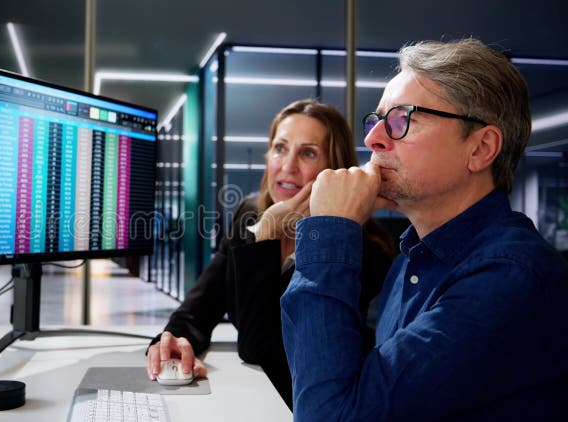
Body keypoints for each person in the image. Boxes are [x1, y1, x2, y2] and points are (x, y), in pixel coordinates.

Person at [280, 39, 568, 420]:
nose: (371, 139)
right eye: (377, 120)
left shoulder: (508, 278)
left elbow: (328, 415)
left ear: (481, 149)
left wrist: (331, 230)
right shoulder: (412, 260)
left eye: (402, 119)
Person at [146, 99, 396, 408]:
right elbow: (200, 307)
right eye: (280, 148)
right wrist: (174, 339)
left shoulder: (361, 248)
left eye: (308, 153)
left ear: (334, 168)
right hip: (253, 398)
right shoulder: (249, 214)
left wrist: (266, 235)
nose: (288, 166)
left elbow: (259, 348)